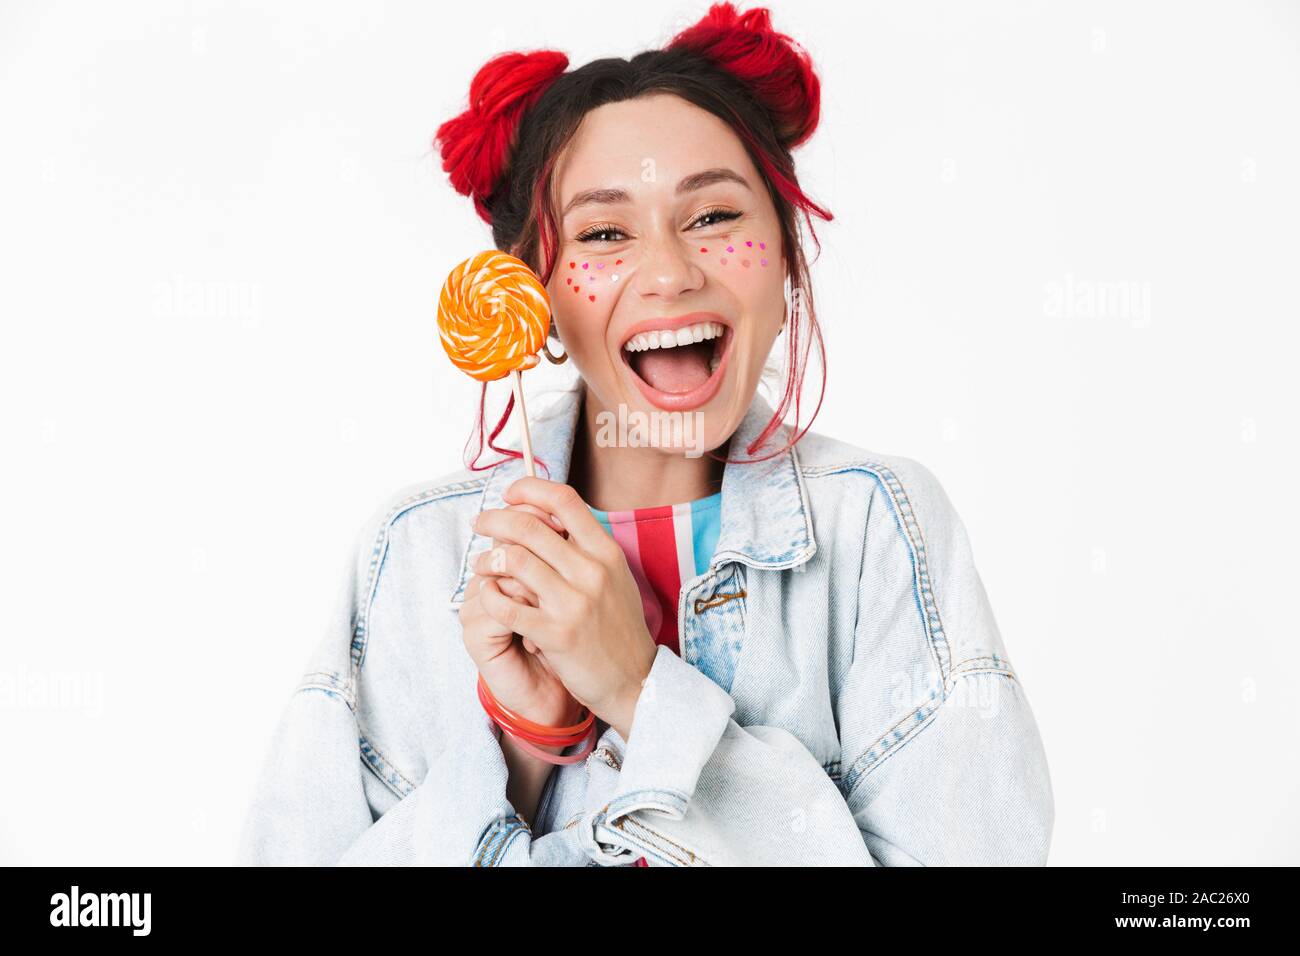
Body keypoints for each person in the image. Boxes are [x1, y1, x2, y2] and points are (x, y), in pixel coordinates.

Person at [237, 2, 1053, 866]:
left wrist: (637, 689)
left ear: (787, 265)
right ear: (534, 297)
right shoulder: (415, 554)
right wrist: (523, 744)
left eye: (713, 218)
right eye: (602, 233)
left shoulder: (879, 528)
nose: (668, 271)